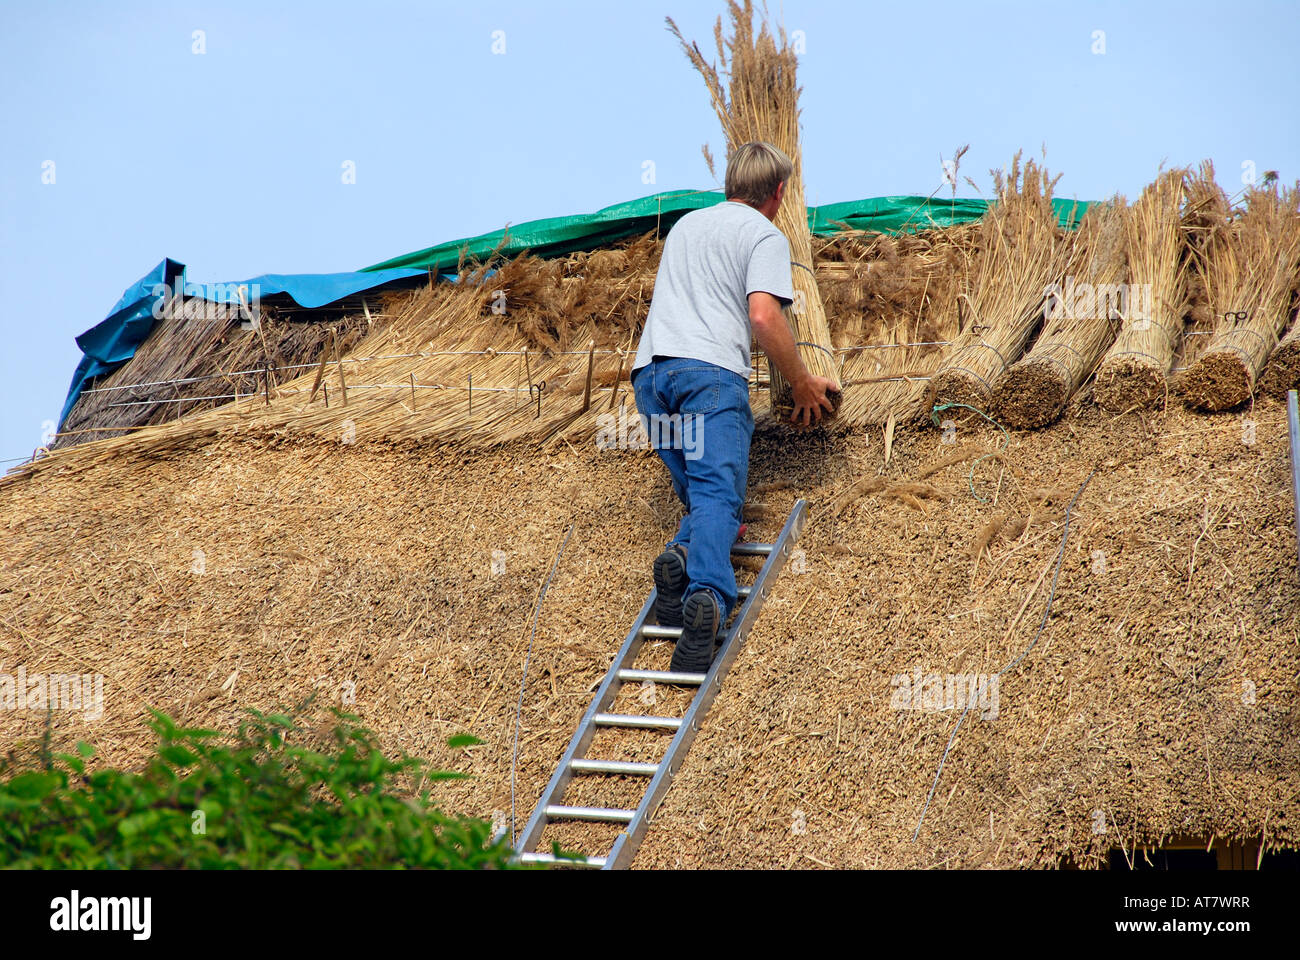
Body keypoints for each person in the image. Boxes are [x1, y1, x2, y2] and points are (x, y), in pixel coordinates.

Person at [629, 141, 836, 673]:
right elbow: (764, 318)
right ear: (779, 193)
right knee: (721, 494)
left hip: (653, 377)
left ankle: (680, 558)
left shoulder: (687, 226)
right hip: (709, 377)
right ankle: (710, 598)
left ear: (729, 184)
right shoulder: (764, 234)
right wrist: (802, 383)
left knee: (702, 497)